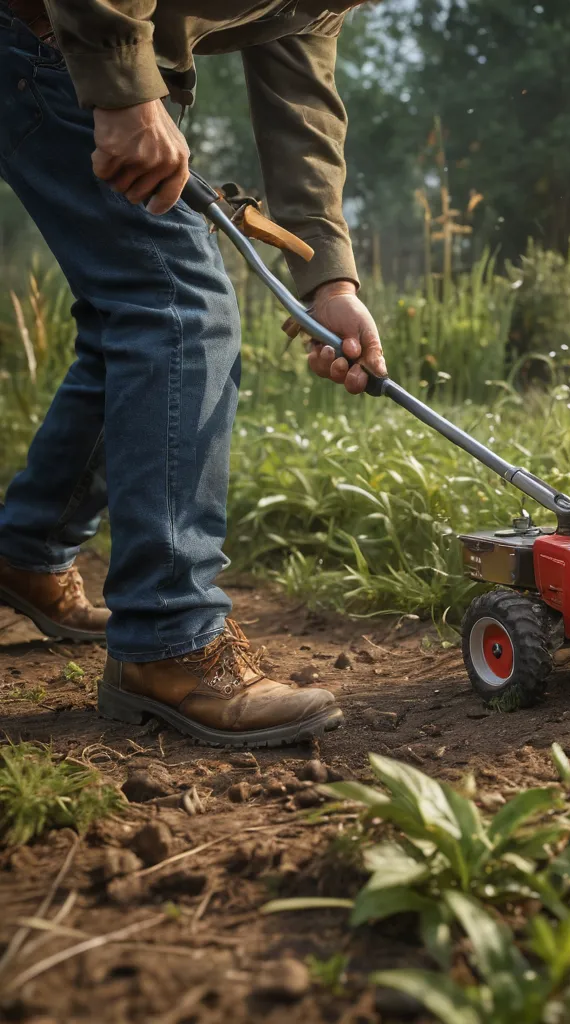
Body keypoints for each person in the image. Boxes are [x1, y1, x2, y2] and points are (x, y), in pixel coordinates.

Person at [0, 0, 383, 747]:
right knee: (178, 304)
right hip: (53, 38)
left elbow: (299, 83)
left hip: (83, 55)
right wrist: (122, 87)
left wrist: (330, 282)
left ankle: (28, 552)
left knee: (135, 317)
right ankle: (169, 638)